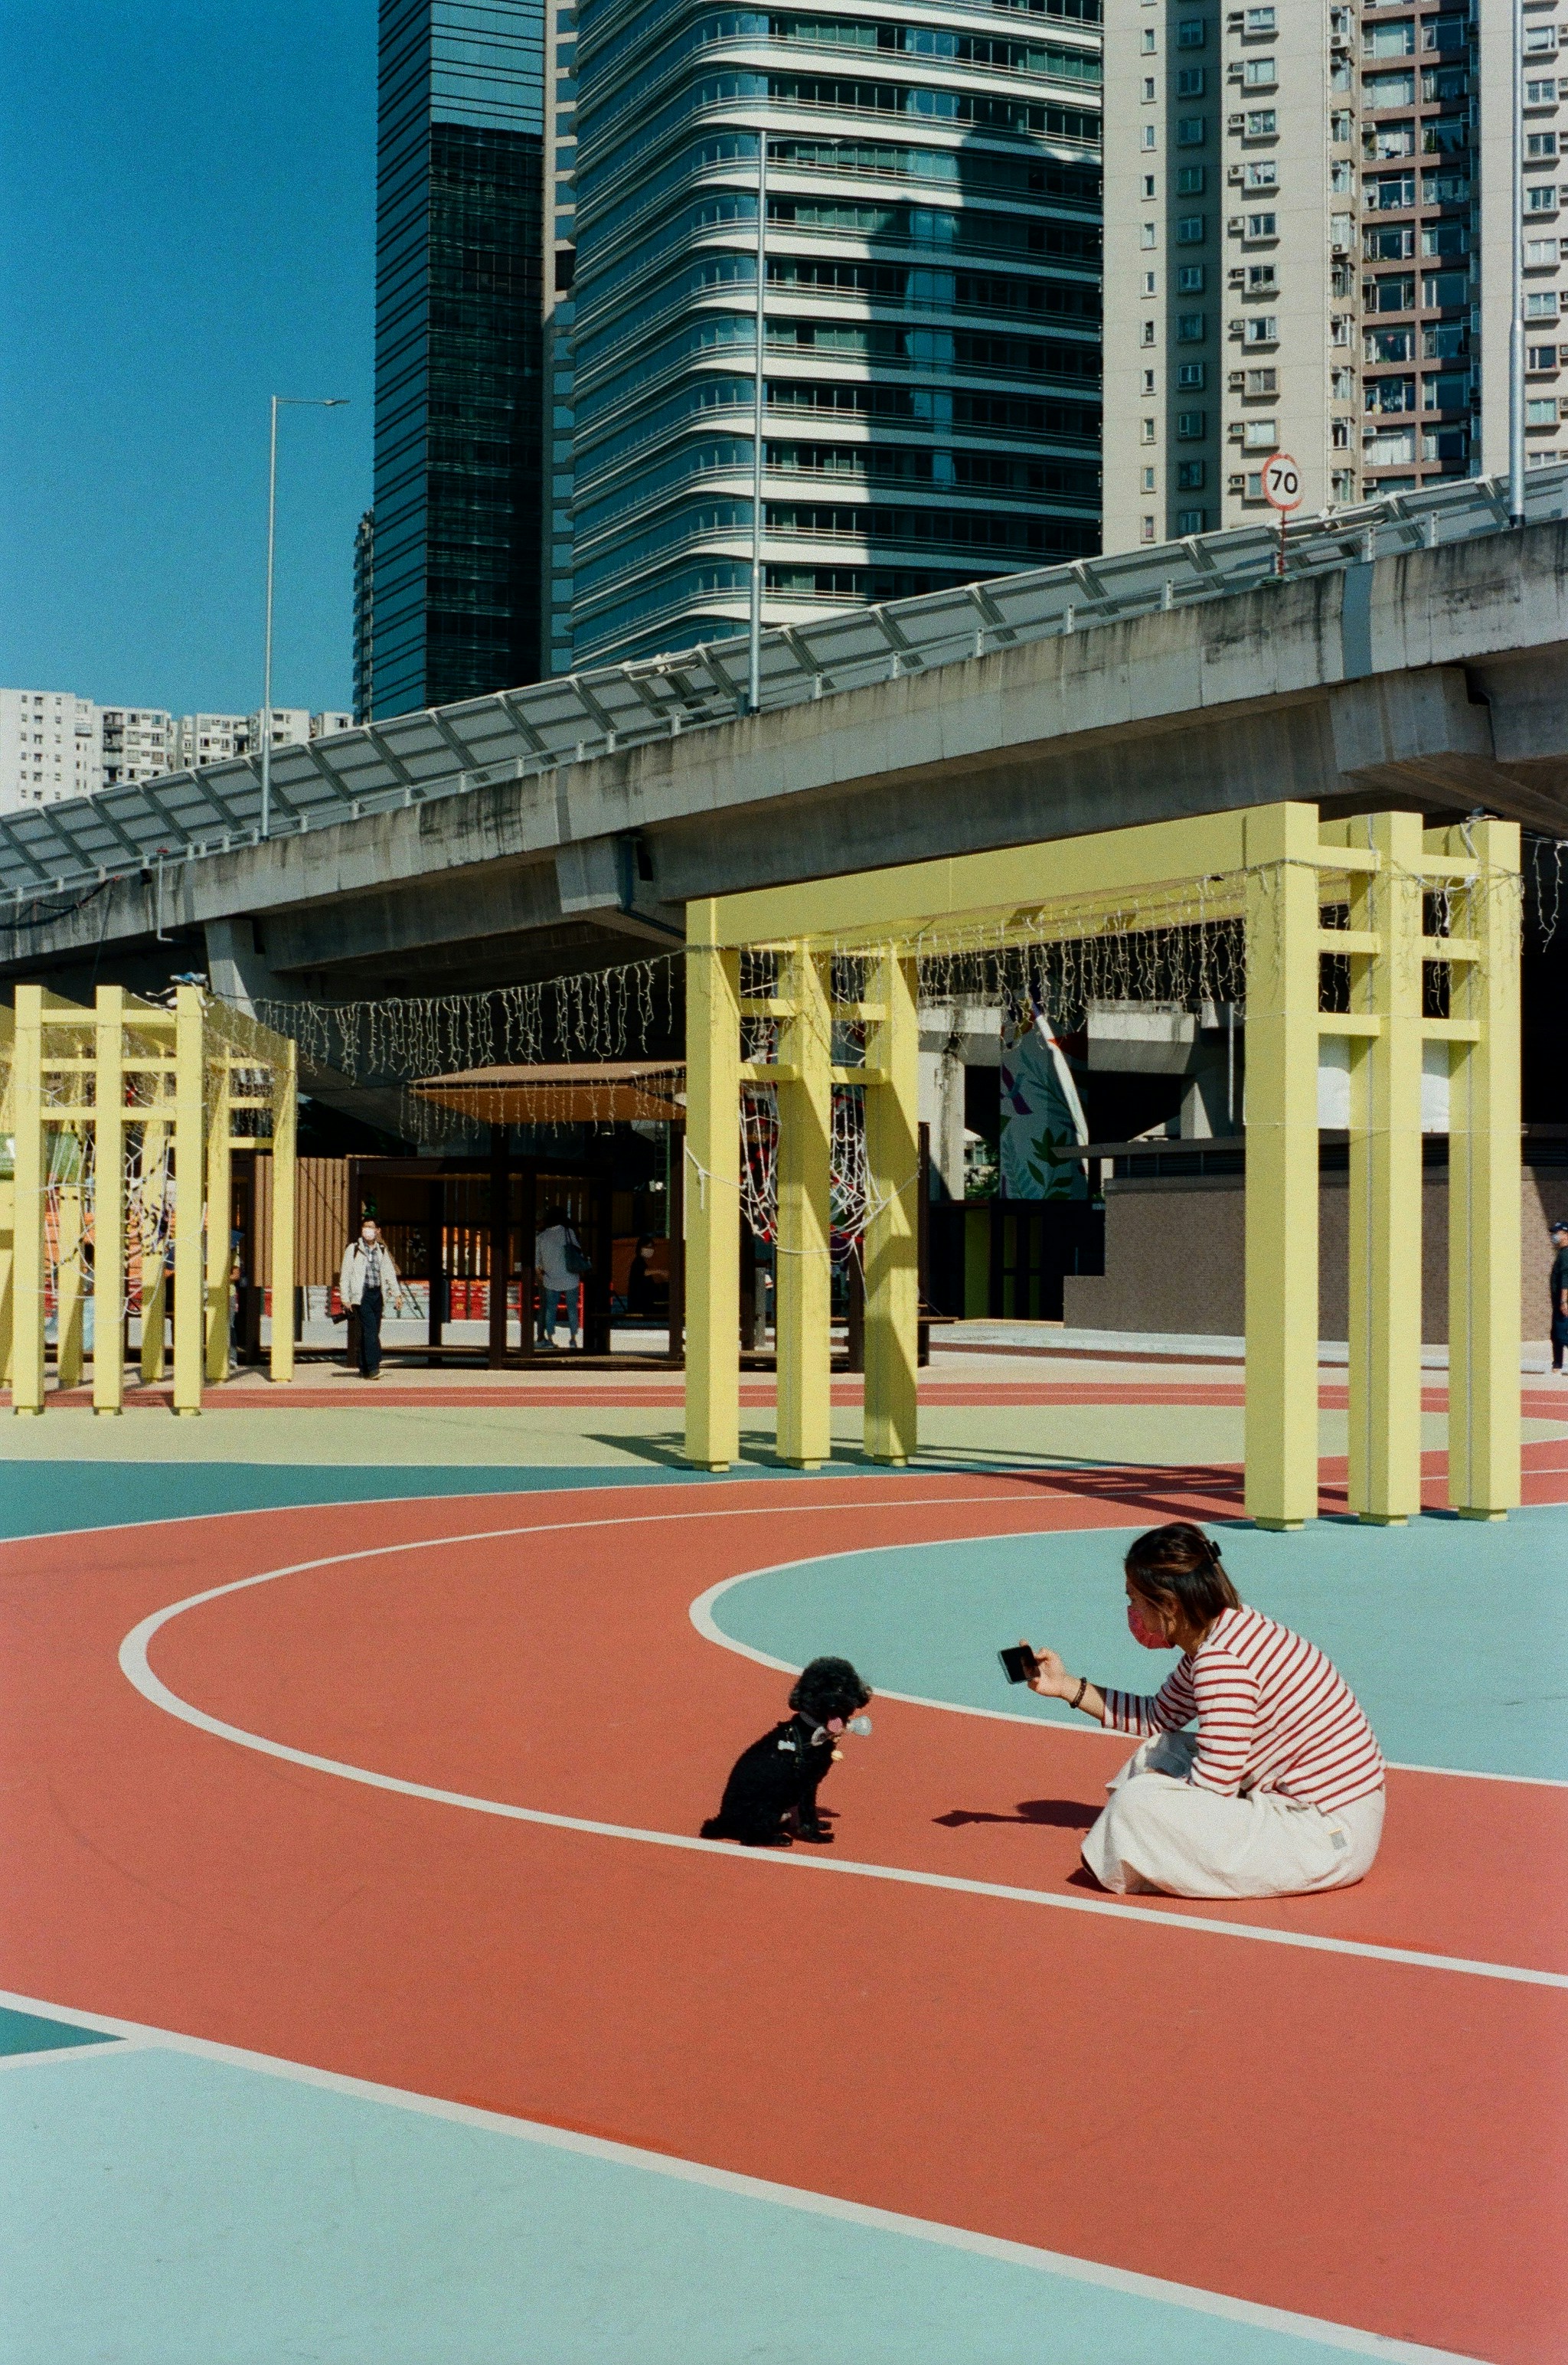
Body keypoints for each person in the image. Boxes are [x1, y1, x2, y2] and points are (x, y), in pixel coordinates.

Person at [1020, 1521, 1386, 1901]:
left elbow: (1214, 1788)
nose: (1132, 1613)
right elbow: (1156, 1718)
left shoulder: (1221, 1662)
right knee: (1159, 1751)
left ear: (1169, 1605)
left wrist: (1160, 1806)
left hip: (1325, 1835)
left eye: (1135, 1600)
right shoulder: (1227, 1629)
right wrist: (1065, 1686)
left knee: (1137, 1802)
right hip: (1329, 1813)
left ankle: (1142, 1852)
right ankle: (1144, 1842)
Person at [338, 1217, 401, 1382]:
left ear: (378, 1231)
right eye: (365, 1227)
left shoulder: (381, 1249)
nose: (368, 1230)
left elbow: (389, 1272)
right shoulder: (353, 1249)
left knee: (372, 1332)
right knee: (371, 1331)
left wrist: (397, 1294)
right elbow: (345, 1276)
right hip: (362, 1296)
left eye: (371, 1227)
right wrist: (345, 1297)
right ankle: (374, 1368)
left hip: (377, 1295)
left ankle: (364, 1367)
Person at [534, 1204, 583, 1349]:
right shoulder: (568, 1233)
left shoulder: (541, 1237)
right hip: (570, 1278)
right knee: (572, 1309)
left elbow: (537, 1263)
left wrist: (542, 1278)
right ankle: (573, 1339)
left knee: (551, 1309)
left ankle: (549, 1339)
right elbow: (577, 1250)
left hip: (550, 1279)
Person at [1550, 1219, 1568, 1376]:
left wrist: (1564, 1301)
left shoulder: (1566, 1254)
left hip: (1563, 1303)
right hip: (1558, 1304)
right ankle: (1557, 1365)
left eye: (1557, 1233)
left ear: (1565, 1234)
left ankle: (1557, 1365)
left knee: (1563, 1334)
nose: (1554, 1236)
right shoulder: (1562, 1253)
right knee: (1556, 1334)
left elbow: (1565, 1278)